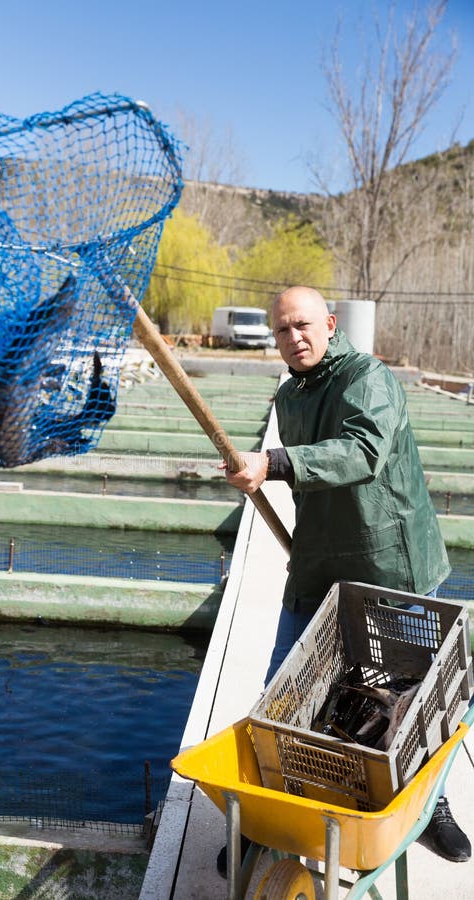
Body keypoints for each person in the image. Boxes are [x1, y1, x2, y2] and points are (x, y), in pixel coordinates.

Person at [218, 285, 470, 874]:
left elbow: (361, 452)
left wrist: (274, 463)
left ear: (330, 324)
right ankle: (266, 818)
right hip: (320, 562)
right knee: (279, 699)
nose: (292, 337)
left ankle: (431, 807)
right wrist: (269, 475)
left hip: (393, 566)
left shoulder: (369, 377)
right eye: (282, 330)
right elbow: (312, 478)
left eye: (302, 325)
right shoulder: (289, 396)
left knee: (418, 706)